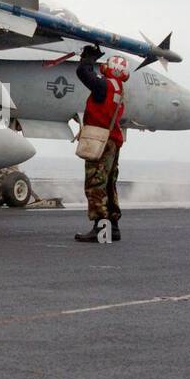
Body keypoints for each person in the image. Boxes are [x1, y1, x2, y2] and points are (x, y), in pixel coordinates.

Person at [74, 45, 127, 242]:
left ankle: (101, 229)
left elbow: (82, 72)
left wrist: (89, 57)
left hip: (100, 141)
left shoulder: (104, 86)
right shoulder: (119, 88)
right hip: (113, 140)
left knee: (96, 183)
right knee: (109, 183)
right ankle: (113, 228)